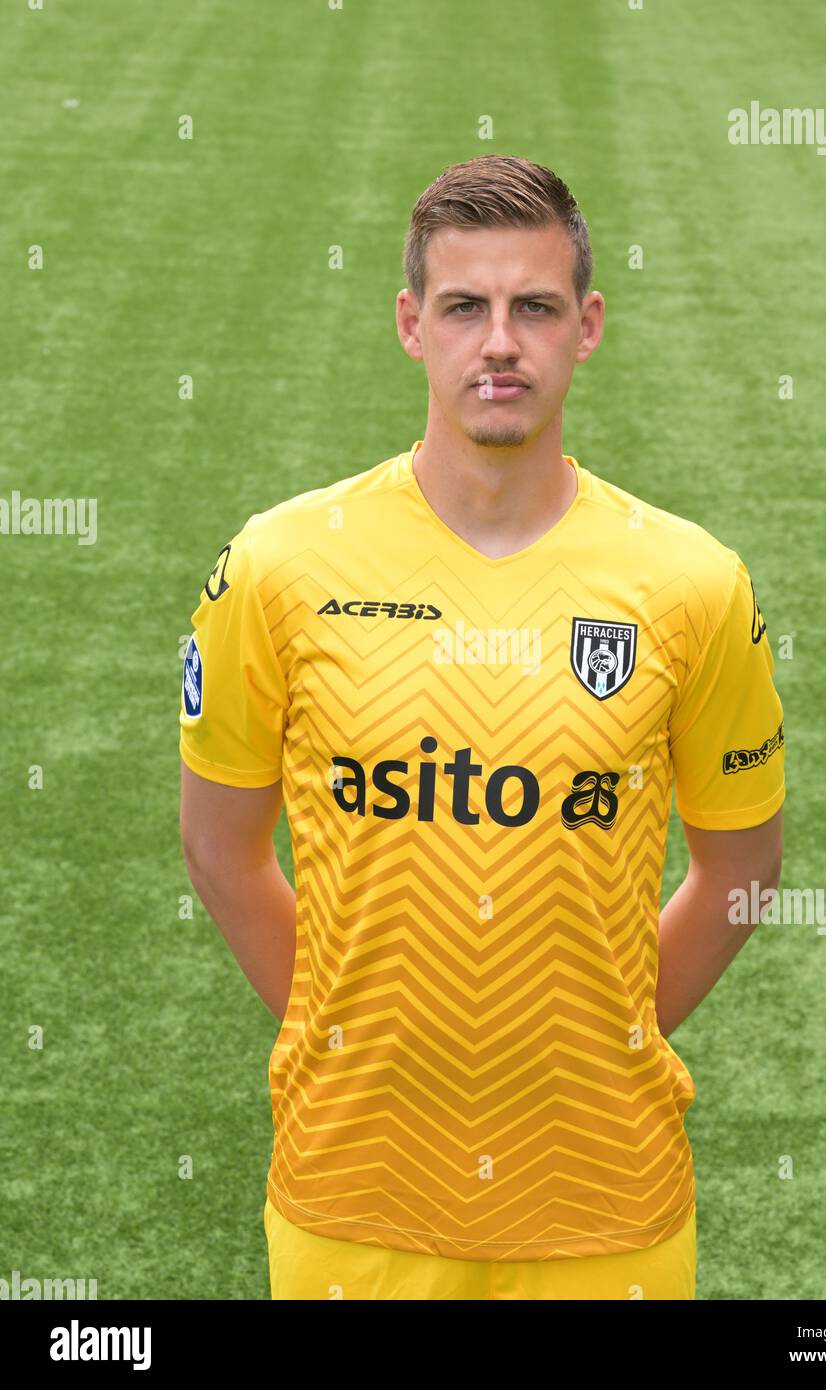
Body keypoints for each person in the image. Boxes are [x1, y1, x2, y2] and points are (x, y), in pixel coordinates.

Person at [178, 154, 785, 1301]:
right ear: (412, 323)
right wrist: (346, 1023)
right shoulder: (277, 567)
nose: (497, 343)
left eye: (533, 308)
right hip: (351, 1196)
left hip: (606, 1203)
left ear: (585, 326)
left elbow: (743, 866)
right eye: (464, 307)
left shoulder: (691, 582)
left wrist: (595, 1030)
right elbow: (219, 847)